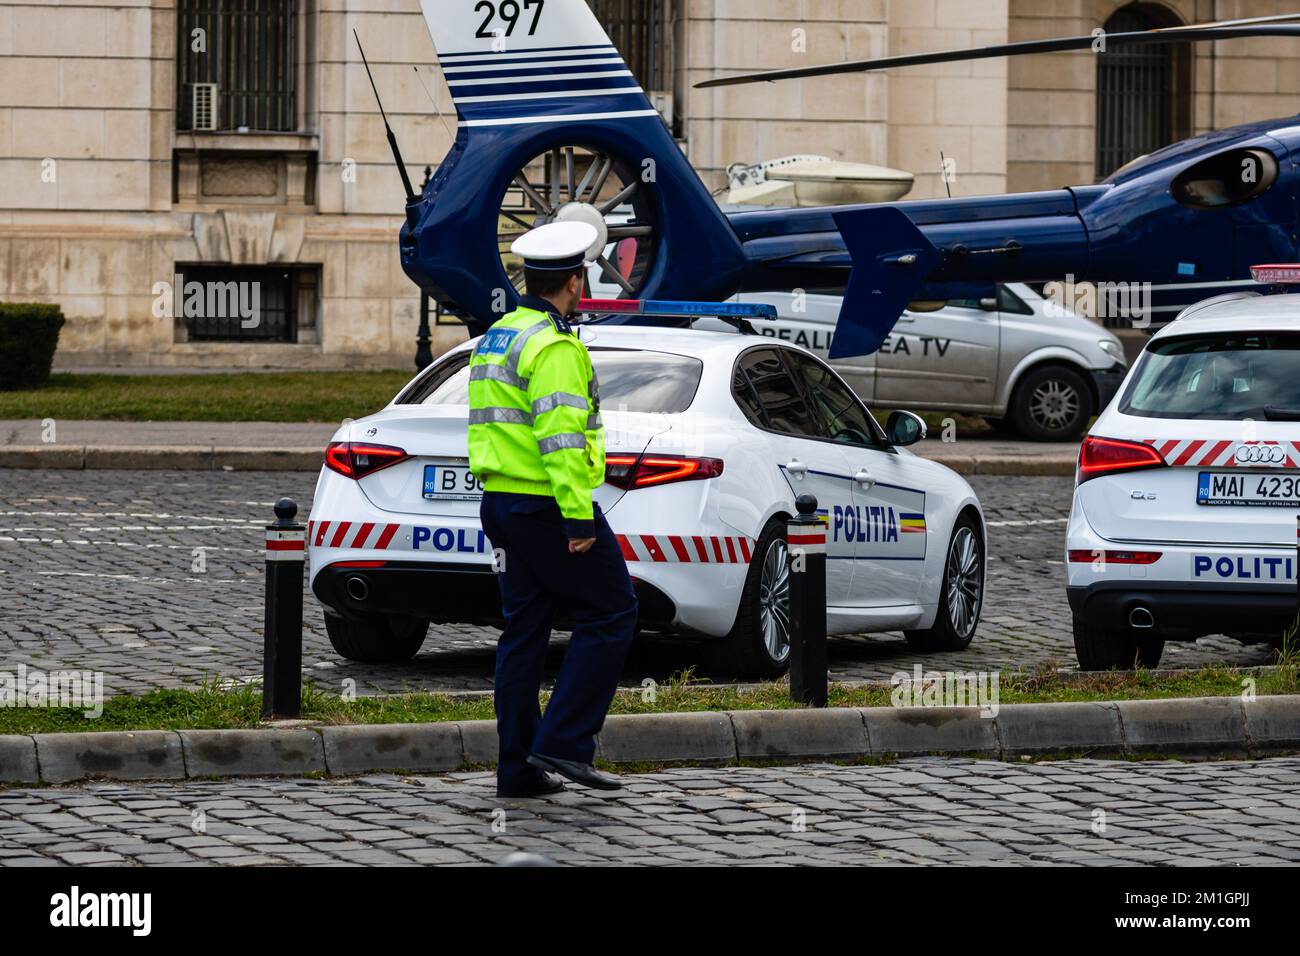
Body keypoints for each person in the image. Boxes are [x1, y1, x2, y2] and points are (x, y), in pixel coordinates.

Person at [468, 220, 638, 798]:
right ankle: (565, 742)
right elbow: (560, 440)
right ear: (574, 280)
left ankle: (518, 770)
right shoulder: (555, 346)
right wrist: (577, 516)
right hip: (547, 504)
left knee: (525, 632)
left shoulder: (500, 335)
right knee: (612, 611)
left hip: (502, 503)